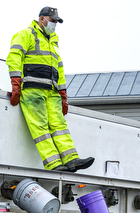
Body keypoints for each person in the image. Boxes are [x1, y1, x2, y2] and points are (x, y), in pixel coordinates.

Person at [7, 7, 94, 173]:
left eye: (56, 21)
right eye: (52, 20)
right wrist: (16, 84)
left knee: (59, 125)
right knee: (40, 127)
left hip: (52, 92)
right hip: (33, 90)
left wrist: (63, 95)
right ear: (41, 19)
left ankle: (71, 159)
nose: (54, 24)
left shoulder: (53, 42)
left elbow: (59, 70)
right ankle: (54, 163)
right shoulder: (26, 34)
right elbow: (14, 57)